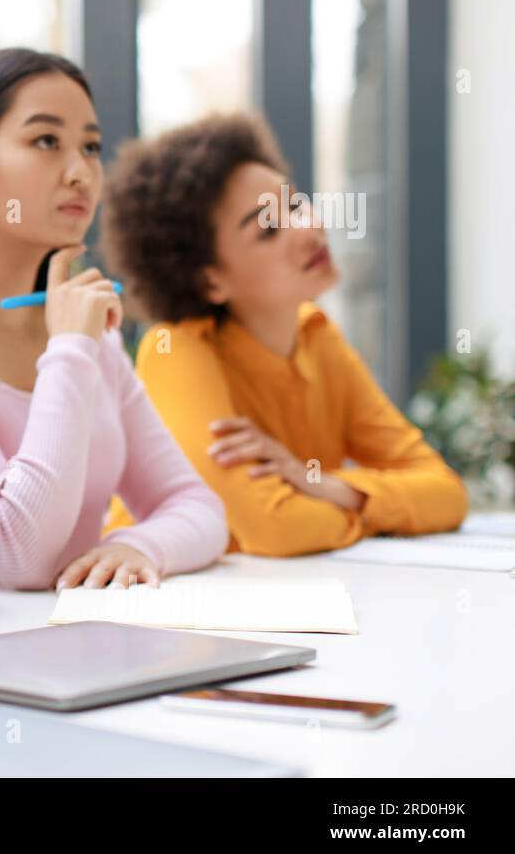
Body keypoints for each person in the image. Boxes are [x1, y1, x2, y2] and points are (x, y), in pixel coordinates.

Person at [0, 49, 227, 592]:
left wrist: (138, 544)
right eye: (46, 141)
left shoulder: (85, 333)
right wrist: (69, 350)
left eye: (91, 147)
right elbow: (12, 555)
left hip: (74, 649)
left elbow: (197, 506)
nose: (80, 172)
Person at [99, 112, 467, 557]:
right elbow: (275, 528)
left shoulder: (316, 334)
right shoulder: (177, 350)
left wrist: (321, 484)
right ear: (210, 281)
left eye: (293, 204)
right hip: (157, 603)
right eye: (269, 230)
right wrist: (375, 513)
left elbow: (446, 493)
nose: (309, 229)